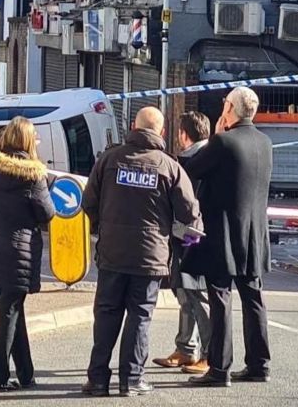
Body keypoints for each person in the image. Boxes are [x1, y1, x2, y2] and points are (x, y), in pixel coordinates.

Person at [81, 106, 202, 398]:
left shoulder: (109, 159)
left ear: (134, 127)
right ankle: (132, 380)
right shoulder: (169, 166)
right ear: (162, 132)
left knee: (107, 314)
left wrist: (102, 228)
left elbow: (88, 203)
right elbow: (189, 215)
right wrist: (183, 239)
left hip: (112, 253)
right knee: (140, 316)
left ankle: (97, 379)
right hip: (150, 257)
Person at [184, 87, 273, 388]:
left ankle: (219, 369)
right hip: (254, 233)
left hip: (223, 232)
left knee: (220, 298)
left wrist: (215, 136)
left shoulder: (223, 141)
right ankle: (259, 365)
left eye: (225, 104)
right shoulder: (265, 142)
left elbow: (193, 169)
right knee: (253, 298)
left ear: (230, 109)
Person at [0, 116, 56, 392]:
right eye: (34, 136)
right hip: (16, 254)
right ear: (27, 141)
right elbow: (47, 213)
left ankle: (26, 374)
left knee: (13, 312)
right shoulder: (33, 175)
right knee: (9, 314)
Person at [153, 111, 213, 374]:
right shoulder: (200, 158)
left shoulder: (194, 162)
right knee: (185, 295)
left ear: (184, 135)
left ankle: (209, 355)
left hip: (192, 237)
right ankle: (186, 348)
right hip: (189, 235)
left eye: (179, 132)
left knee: (197, 296)